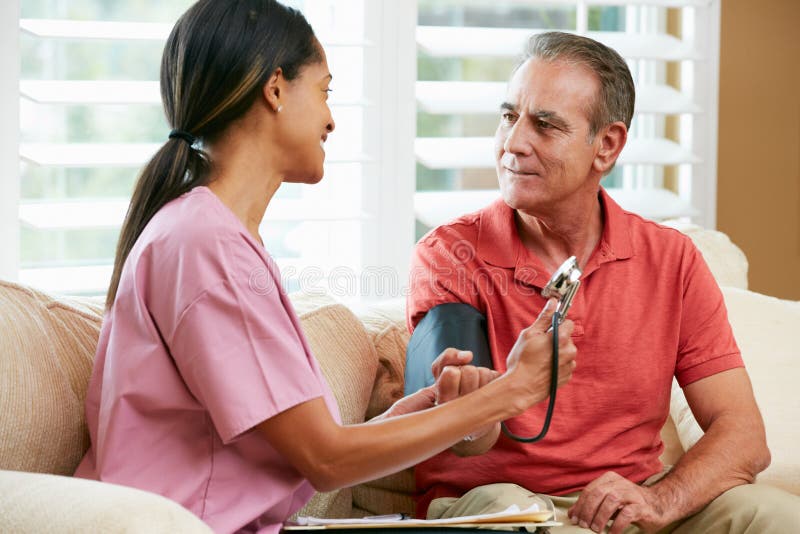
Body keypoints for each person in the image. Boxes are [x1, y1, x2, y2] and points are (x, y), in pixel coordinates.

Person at [73, 2, 579, 534]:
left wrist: (429, 411)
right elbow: (327, 460)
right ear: (275, 89)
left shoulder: (213, 236)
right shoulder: (204, 244)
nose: (331, 120)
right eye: (324, 91)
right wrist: (513, 390)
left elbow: (310, 451)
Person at [406, 31, 800, 534]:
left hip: (629, 504)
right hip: (502, 504)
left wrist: (660, 500)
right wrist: (486, 399)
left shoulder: (672, 260)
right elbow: (463, 437)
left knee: (777, 517)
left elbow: (743, 435)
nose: (513, 143)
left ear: (607, 146)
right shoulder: (450, 255)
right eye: (508, 116)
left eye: (544, 125)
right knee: (510, 512)